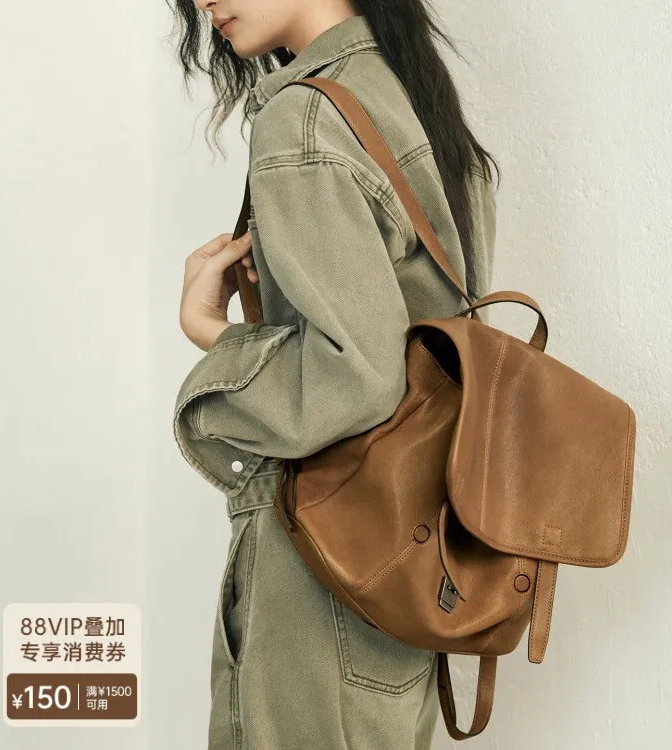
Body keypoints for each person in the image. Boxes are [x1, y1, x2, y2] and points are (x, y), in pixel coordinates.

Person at [170, 2, 498, 748]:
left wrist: (212, 333)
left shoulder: (304, 119)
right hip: (411, 564)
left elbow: (356, 375)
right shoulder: (412, 94)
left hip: (325, 572)